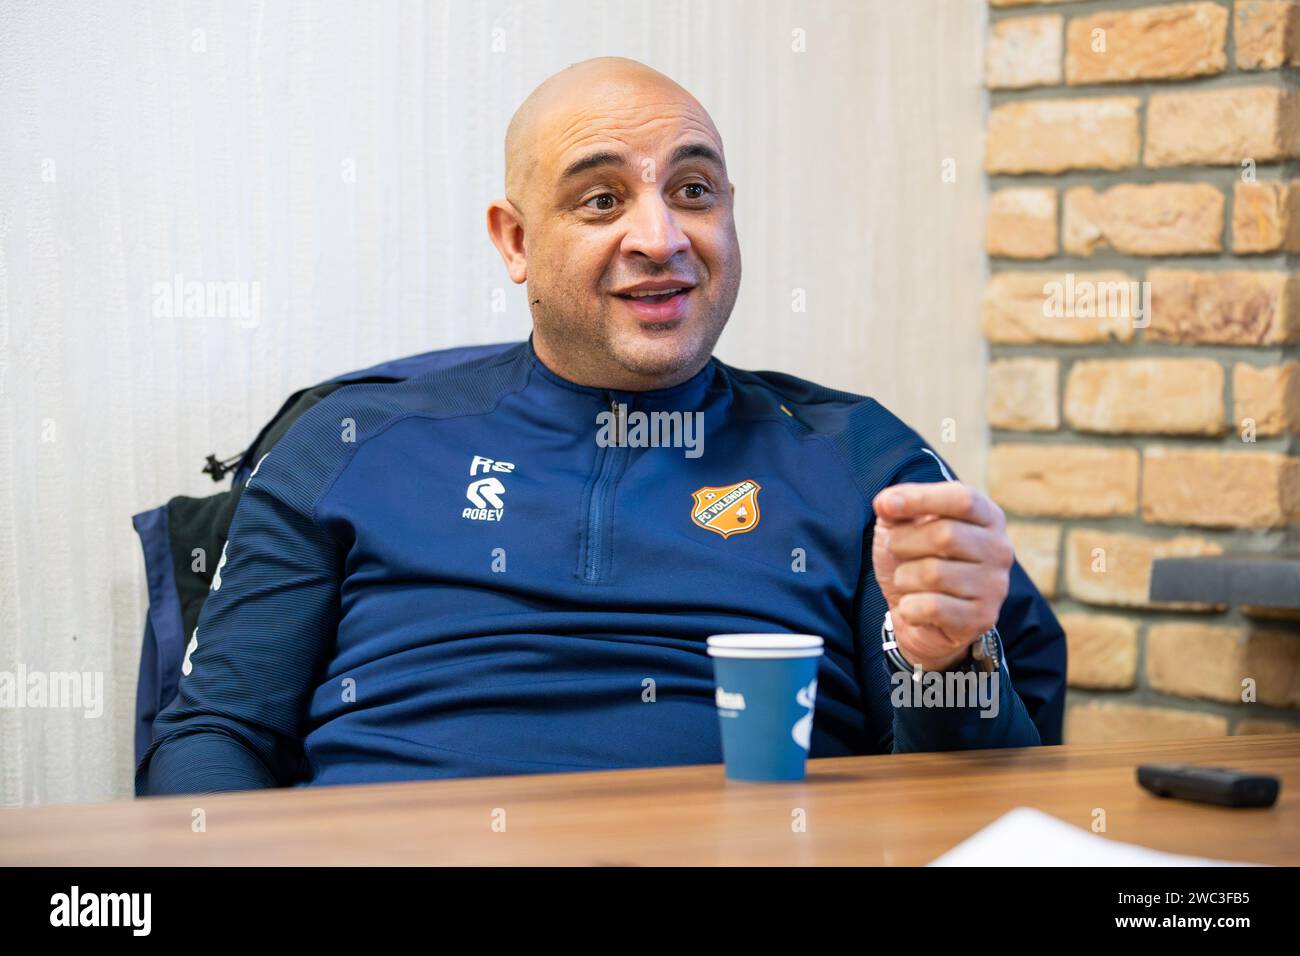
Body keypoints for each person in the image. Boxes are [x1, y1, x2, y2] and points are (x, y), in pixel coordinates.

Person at [137, 57, 1065, 795]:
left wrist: (950, 659)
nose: (661, 238)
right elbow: (214, 736)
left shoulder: (864, 460)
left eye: (695, 191)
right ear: (515, 240)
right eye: (601, 199)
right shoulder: (347, 443)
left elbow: (984, 805)